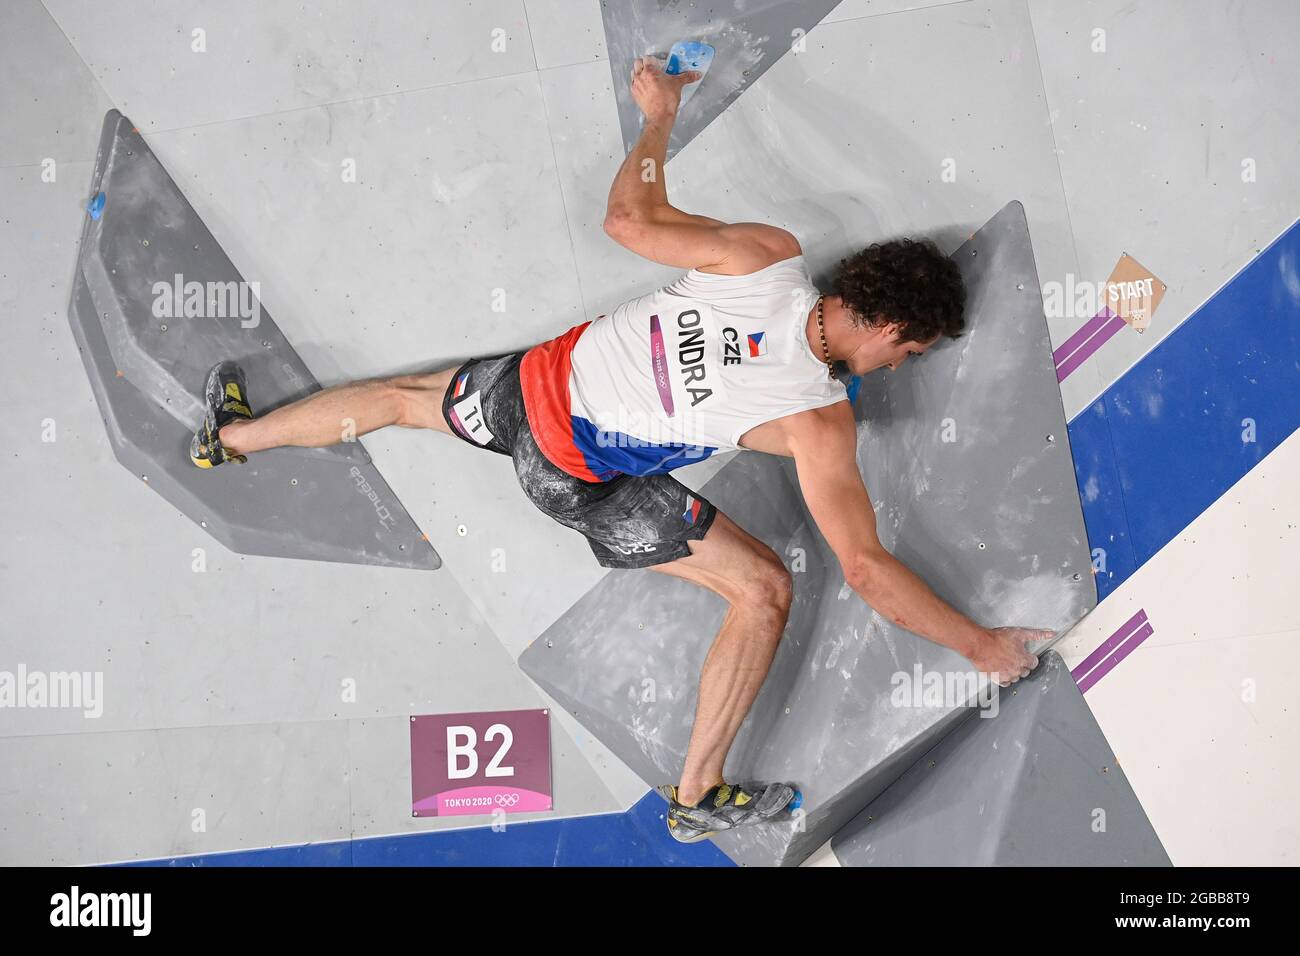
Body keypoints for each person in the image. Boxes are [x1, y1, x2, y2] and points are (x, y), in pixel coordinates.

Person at [190, 56, 1049, 844]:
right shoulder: (823, 421)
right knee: (763, 590)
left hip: (528, 384)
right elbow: (861, 566)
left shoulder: (768, 258)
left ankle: (227, 439)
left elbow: (626, 216)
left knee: (395, 400)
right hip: (573, 479)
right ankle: (697, 797)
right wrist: (980, 647)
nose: (899, 368)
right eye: (909, 354)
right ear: (893, 327)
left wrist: (659, 116)